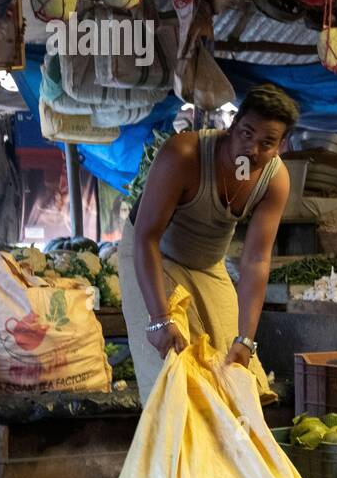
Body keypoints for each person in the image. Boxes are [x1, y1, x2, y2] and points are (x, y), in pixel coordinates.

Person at [119, 84, 296, 403]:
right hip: (151, 253)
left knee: (239, 370)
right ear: (232, 125)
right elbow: (147, 237)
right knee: (171, 376)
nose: (252, 150)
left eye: (267, 142)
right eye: (246, 133)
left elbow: (256, 260)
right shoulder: (184, 155)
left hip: (207, 264)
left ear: (281, 146)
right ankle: (170, 450)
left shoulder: (275, 181)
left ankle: (230, 451)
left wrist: (246, 339)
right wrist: (160, 317)